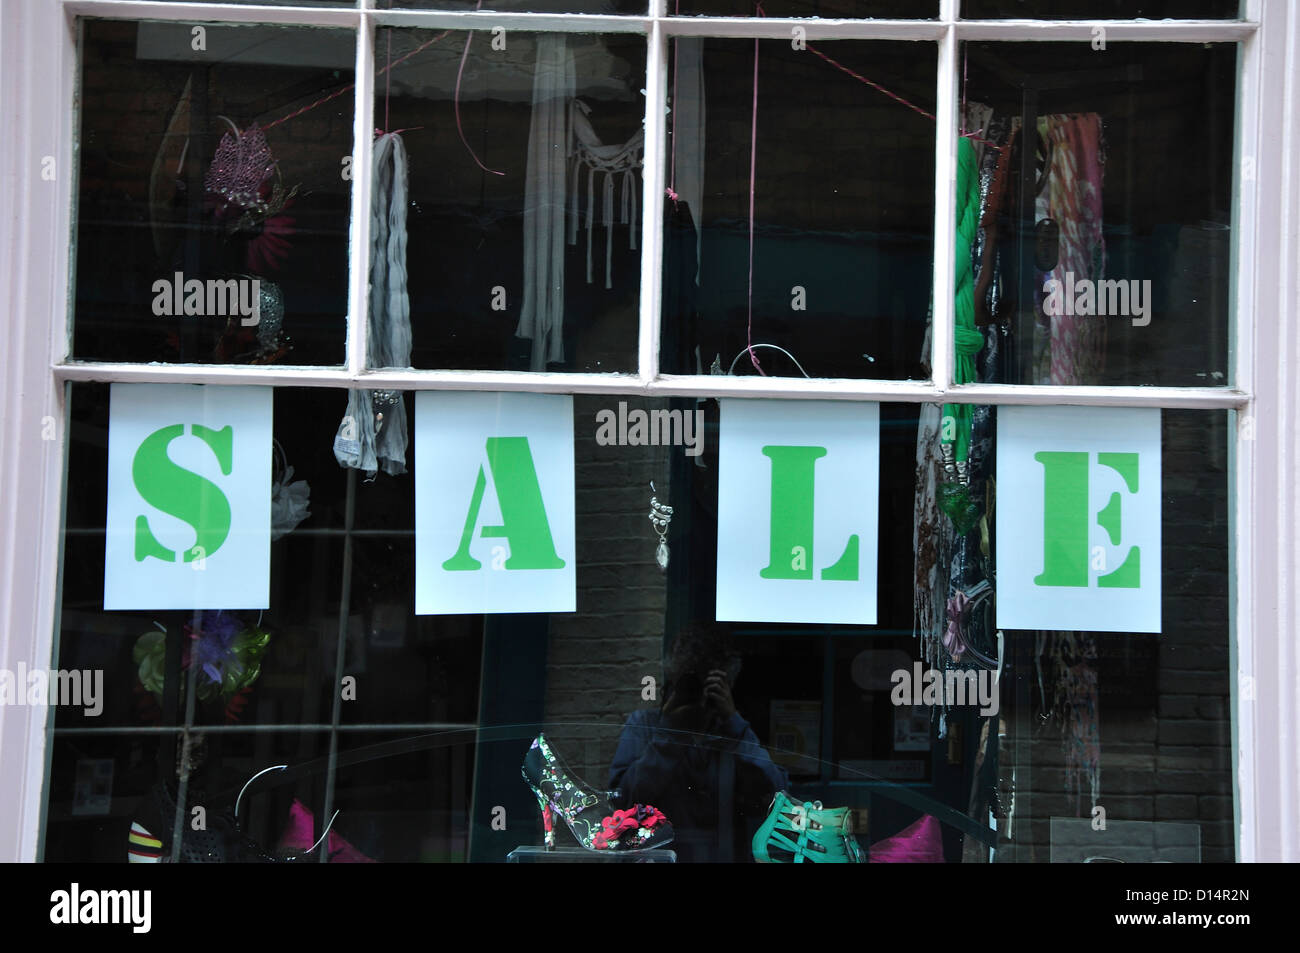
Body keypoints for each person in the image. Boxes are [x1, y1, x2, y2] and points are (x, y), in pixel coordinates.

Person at [608, 625, 788, 862]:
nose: (698, 695)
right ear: (672, 682)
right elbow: (622, 804)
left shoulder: (733, 733)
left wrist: (732, 722)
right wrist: (670, 734)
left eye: (708, 685)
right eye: (689, 686)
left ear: (727, 686)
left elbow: (773, 797)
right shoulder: (646, 726)